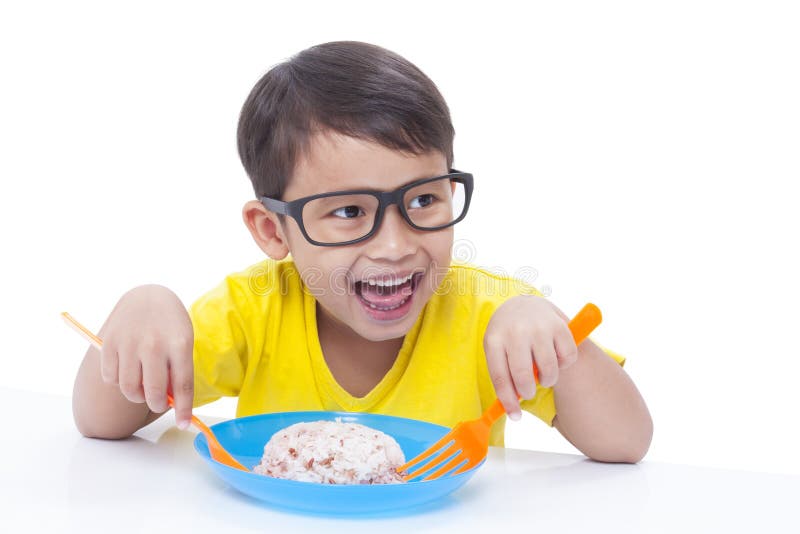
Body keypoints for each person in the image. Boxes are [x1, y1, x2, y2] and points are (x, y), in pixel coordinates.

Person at [72, 41, 652, 463]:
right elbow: (101, 421)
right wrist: (141, 306)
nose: (395, 246)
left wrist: (554, 337)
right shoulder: (250, 311)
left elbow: (627, 443)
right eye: (349, 211)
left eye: (423, 199)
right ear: (273, 230)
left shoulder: (490, 317)